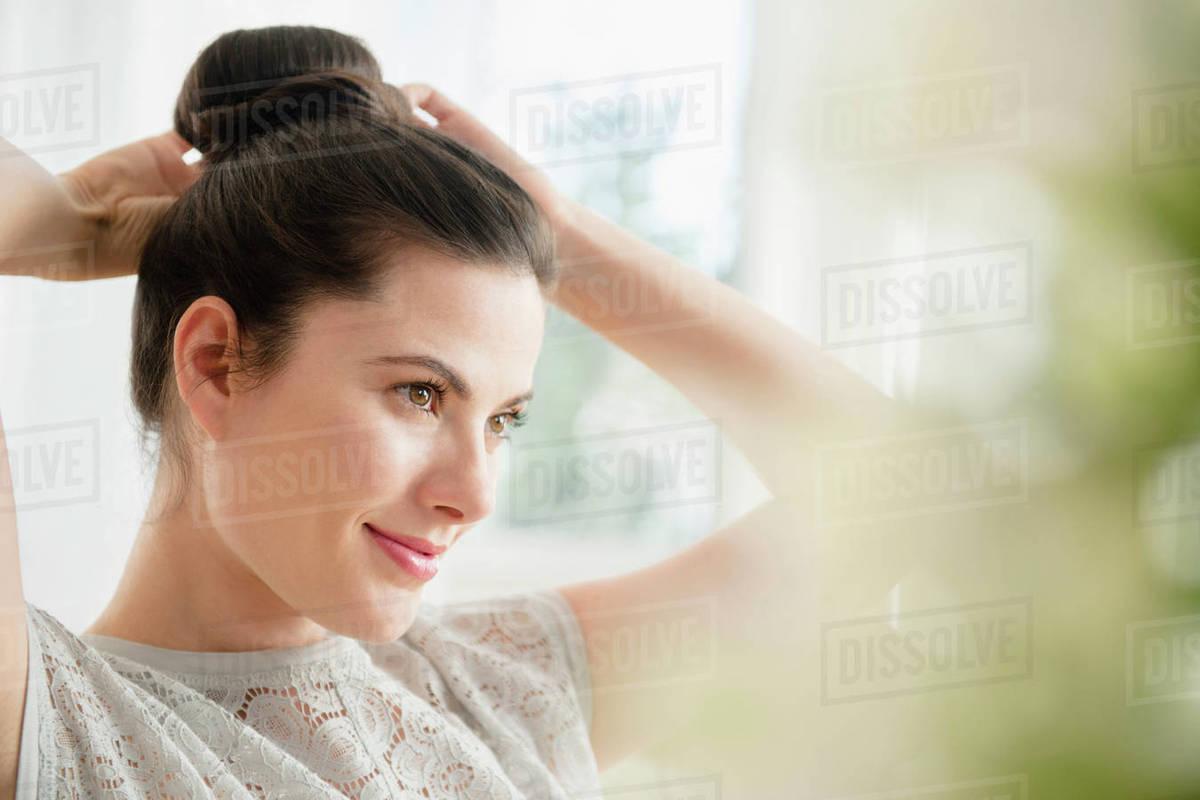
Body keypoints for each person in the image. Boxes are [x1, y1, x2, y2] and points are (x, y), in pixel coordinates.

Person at [0, 24, 890, 799]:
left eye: (505, 420)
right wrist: (62, 221)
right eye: (420, 394)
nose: (475, 495)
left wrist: (554, 233)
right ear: (215, 366)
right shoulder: (51, 725)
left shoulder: (496, 688)